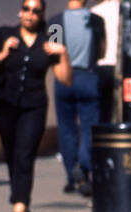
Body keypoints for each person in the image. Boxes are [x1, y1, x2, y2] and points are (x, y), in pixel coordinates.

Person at [0, 0, 72, 212]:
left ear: (41, 14)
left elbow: (66, 79)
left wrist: (63, 54)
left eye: (35, 10)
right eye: (26, 9)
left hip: (34, 107)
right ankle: (23, 205)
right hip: (6, 106)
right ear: (21, 11)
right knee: (11, 156)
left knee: (24, 156)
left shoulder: (49, 41)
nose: (30, 14)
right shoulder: (5, 33)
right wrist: (2, 54)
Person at [49, 0, 105, 195]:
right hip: (88, 76)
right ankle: (83, 166)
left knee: (66, 129)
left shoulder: (56, 22)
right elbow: (101, 51)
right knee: (89, 127)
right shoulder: (96, 21)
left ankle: (71, 175)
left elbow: (53, 54)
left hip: (63, 78)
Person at [89, 0, 117, 118]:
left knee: (101, 110)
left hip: (100, 64)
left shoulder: (94, 12)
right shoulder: (123, 12)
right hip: (117, 65)